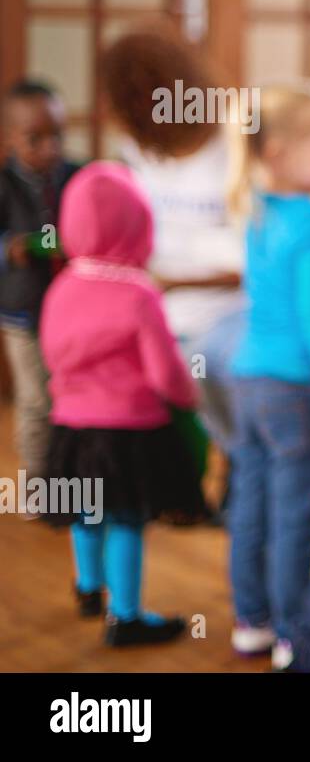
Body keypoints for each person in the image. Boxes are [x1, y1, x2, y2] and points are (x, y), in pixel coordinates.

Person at [39, 162, 207, 646]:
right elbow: (166, 373)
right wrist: (188, 397)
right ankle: (126, 617)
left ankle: (89, 589)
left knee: (85, 512)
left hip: (71, 427)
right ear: (139, 224)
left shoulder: (62, 285)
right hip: (127, 432)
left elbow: (52, 353)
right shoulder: (139, 293)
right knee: (127, 518)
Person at [100, 28, 247, 506]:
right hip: (154, 306)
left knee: (214, 370)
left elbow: (254, 263)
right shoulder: (137, 148)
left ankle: (231, 468)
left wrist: (171, 282)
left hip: (225, 312)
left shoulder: (234, 137)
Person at [225, 84, 310, 671]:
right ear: (276, 152)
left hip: (247, 381)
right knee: (294, 515)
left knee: (250, 504)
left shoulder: (256, 211)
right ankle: (296, 634)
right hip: (297, 390)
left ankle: (253, 622)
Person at [0, 80, 79, 499]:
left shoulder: (74, 175)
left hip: (70, 312)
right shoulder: (5, 185)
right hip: (23, 314)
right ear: (10, 138)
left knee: (69, 396)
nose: (50, 148)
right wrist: (9, 246)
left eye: (58, 137)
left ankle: (67, 477)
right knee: (35, 401)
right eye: (36, 139)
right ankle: (37, 486)